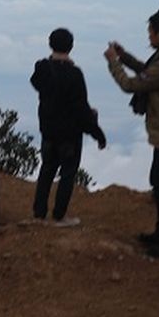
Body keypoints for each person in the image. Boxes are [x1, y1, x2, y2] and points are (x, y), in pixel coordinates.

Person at [104, 4, 159, 258]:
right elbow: (146, 71)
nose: (149, 36)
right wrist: (124, 56)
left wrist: (113, 64)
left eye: (151, 32)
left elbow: (131, 85)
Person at [30, 28, 107, 227]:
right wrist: (97, 132)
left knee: (46, 170)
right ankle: (59, 215)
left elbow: (36, 79)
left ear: (50, 44)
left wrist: (54, 63)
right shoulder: (74, 74)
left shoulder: (43, 69)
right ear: (71, 47)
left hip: (48, 130)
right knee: (67, 173)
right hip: (70, 135)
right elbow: (81, 108)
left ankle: (39, 214)